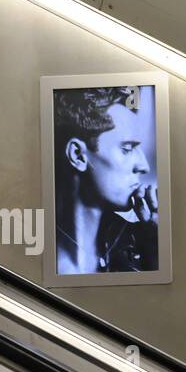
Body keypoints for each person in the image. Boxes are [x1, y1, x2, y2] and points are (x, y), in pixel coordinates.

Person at [53, 86, 159, 274]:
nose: (144, 166)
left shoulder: (145, 241)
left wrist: (153, 250)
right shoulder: (29, 256)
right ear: (78, 155)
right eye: (127, 149)